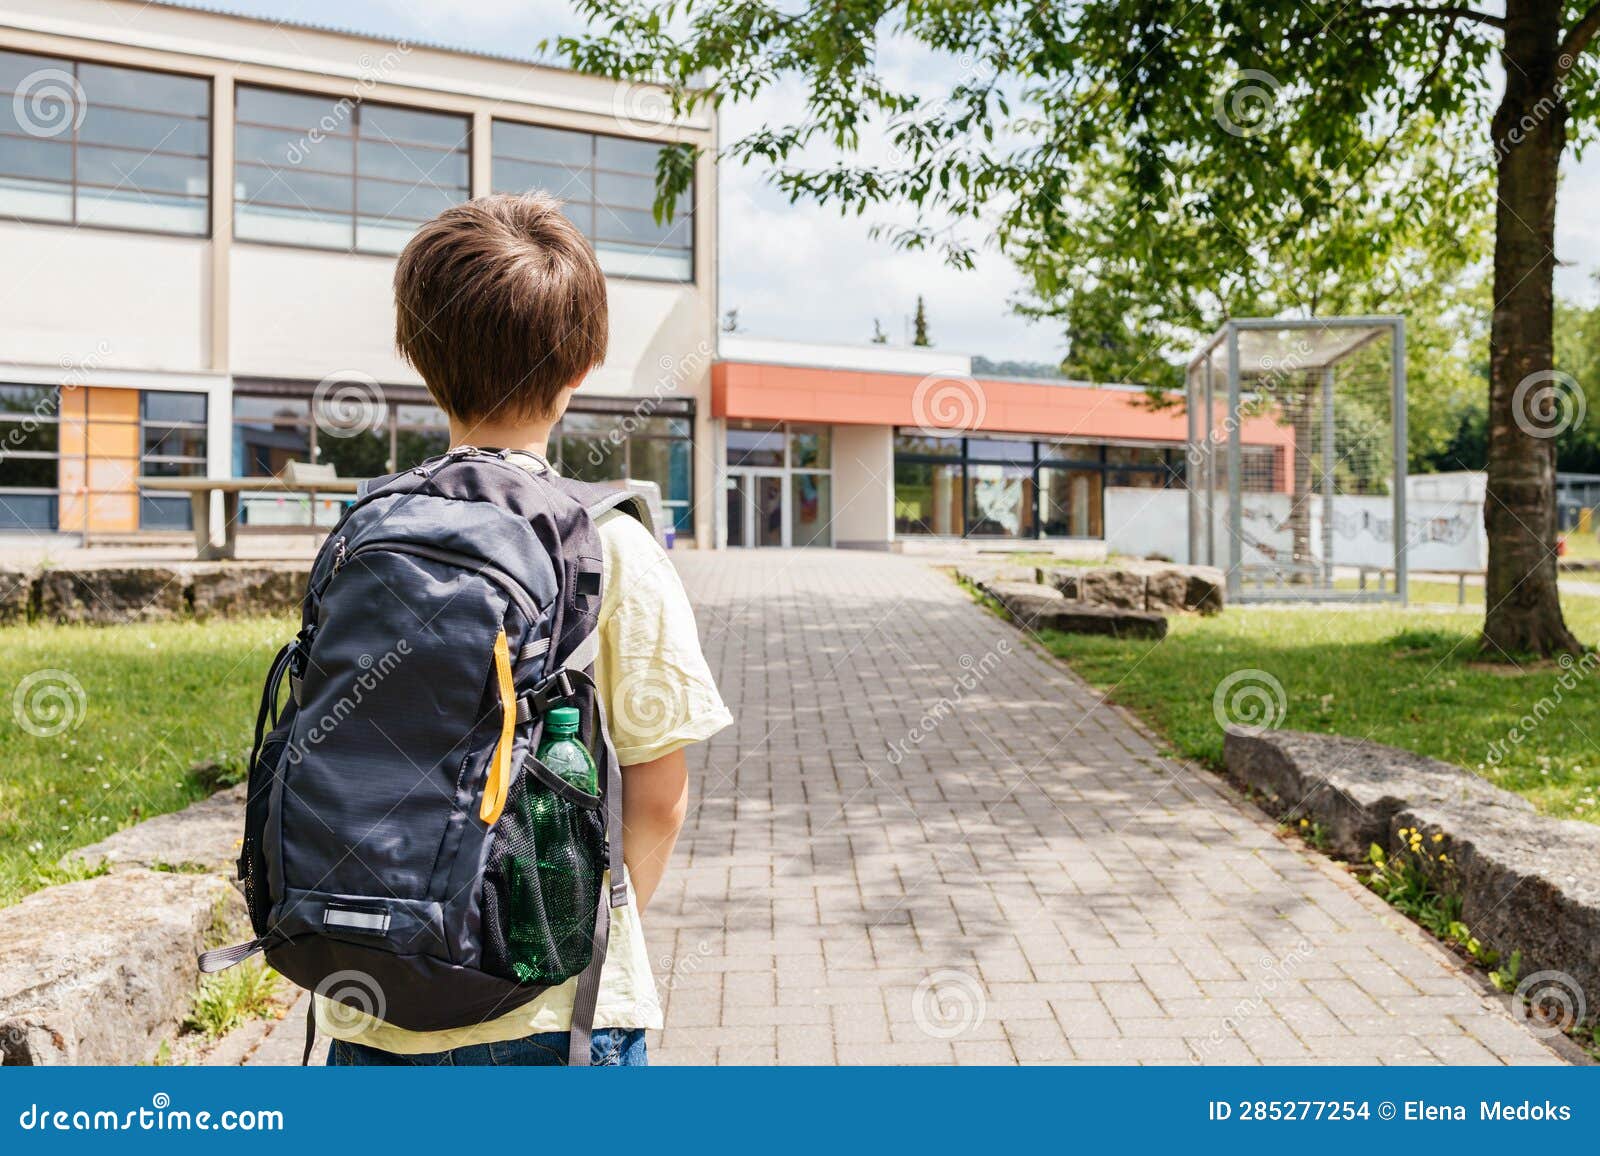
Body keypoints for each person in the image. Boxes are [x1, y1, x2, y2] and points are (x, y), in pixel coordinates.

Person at [322, 192, 732, 1067]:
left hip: (369, 1003)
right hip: (554, 1023)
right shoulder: (609, 544)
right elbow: (660, 799)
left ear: (416, 352)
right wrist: (574, 933)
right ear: (583, 361)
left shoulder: (362, 532)